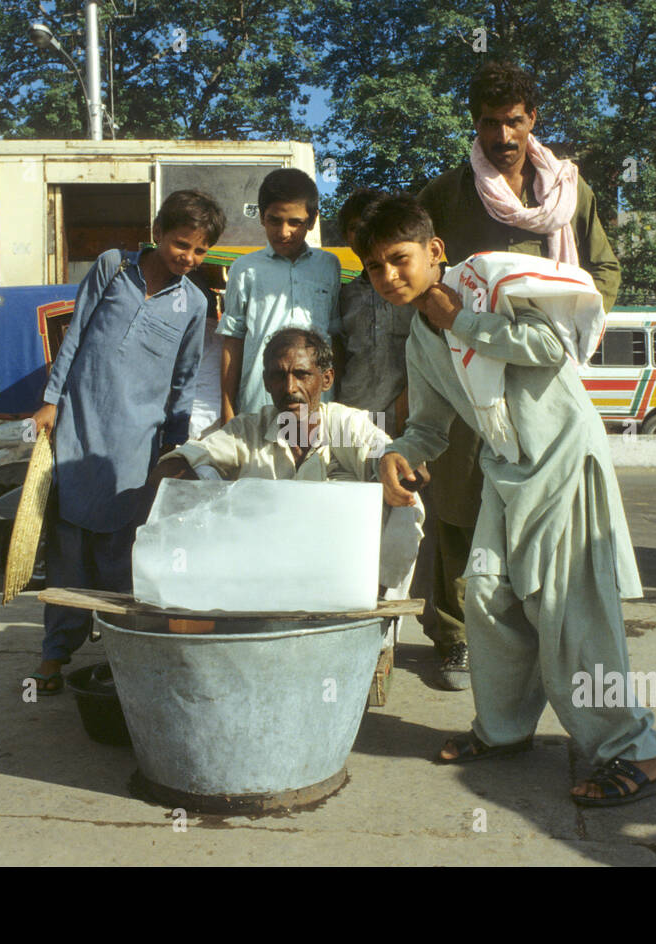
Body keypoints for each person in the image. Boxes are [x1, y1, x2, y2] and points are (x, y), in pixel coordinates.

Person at [359, 194, 656, 807]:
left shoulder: (484, 287)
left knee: (571, 610)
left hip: (561, 459)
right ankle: (503, 731)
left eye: (399, 259)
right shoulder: (420, 338)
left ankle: (638, 751)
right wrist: (398, 452)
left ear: (434, 251)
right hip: (504, 469)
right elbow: (429, 425)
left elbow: (551, 347)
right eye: (374, 268)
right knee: (485, 594)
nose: (389, 277)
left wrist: (464, 322)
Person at [412, 61, 623, 691]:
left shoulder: (568, 193)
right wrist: (436, 333)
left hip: (540, 371)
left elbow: (604, 270)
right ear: (473, 122)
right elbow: (418, 271)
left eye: (514, 121)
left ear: (533, 119)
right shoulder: (446, 193)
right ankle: (452, 636)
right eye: (489, 122)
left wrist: (575, 323)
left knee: (535, 505)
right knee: (457, 498)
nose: (502, 135)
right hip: (464, 367)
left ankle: (530, 630)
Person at [25, 189, 226, 695]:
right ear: (159, 232)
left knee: (121, 561)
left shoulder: (195, 303)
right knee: (67, 550)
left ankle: (121, 662)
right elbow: (73, 339)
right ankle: (54, 657)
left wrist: (174, 453)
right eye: (182, 244)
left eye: (200, 252)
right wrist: (52, 400)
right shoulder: (113, 268)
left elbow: (182, 385)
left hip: (138, 450)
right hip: (78, 428)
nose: (189, 258)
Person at [150, 327, 423, 597]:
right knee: (197, 476)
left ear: (326, 379)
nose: (290, 387)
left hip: (338, 572)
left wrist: (396, 466)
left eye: (302, 375)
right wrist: (204, 492)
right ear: (267, 383)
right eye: (279, 376)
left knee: (405, 502)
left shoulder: (346, 424)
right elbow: (177, 463)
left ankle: (380, 600)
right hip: (264, 571)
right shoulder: (249, 429)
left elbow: (387, 453)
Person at [218, 168, 341, 421]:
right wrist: (228, 409)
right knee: (261, 460)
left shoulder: (329, 266)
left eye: (295, 222)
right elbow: (233, 341)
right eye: (275, 220)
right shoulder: (244, 269)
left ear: (313, 220)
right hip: (258, 405)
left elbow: (335, 336)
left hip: (316, 406)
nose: (284, 232)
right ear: (262, 217)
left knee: (312, 460)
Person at [336, 188, 414, 438]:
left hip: (407, 413)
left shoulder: (411, 290)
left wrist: (408, 404)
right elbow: (339, 354)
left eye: (372, 225)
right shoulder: (345, 295)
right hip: (353, 412)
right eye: (354, 227)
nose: (363, 234)